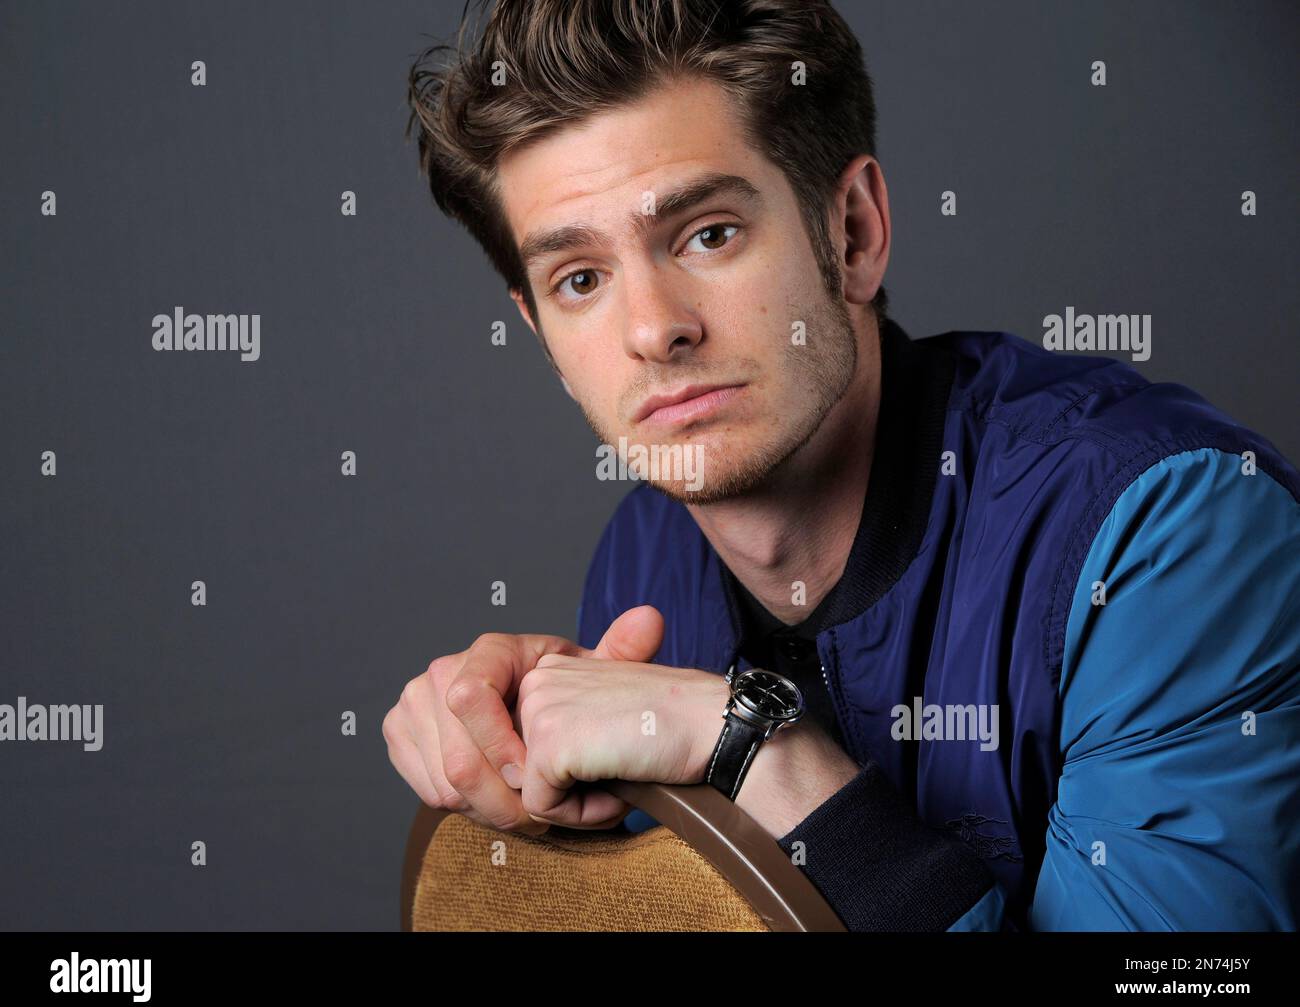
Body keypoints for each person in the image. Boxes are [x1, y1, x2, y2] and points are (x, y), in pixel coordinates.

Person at [383, 0, 1300, 931]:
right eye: (580, 280)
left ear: (853, 231)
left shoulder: (1173, 535)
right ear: (541, 334)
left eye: (708, 234)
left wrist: (749, 744)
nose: (654, 329)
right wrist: (511, 735)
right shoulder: (641, 559)